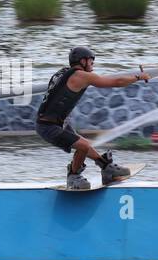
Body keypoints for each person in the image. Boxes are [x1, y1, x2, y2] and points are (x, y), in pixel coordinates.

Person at [35, 46, 150, 189]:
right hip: (49, 126)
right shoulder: (81, 76)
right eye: (91, 61)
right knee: (83, 146)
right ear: (82, 61)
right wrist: (139, 77)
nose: (93, 65)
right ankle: (73, 176)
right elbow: (116, 82)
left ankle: (106, 167)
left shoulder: (63, 73)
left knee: (85, 144)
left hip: (57, 123)